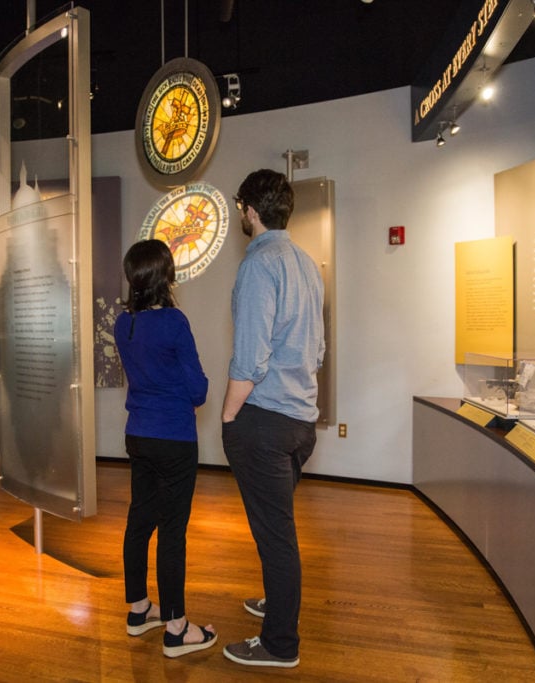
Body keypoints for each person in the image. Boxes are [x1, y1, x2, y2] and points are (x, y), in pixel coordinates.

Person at [221, 169, 325, 669]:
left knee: (276, 537)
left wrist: (227, 415)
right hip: (301, 423)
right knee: (277, 530)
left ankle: (280, 644)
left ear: (249, 210)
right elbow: (318, 350)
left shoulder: (260, 263)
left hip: (263, 421)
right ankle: (278, 603)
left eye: (240, 206)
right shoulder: (306, 264)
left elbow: (249, 358)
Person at [115, 238, 217, 658]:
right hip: (173, 439)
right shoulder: (175, 322)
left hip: (137, 434)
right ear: (166, 276)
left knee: (140, 521)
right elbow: (198, 389)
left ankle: (140, 610)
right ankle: (176, 628)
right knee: (172, 532)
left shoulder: (124, 324)